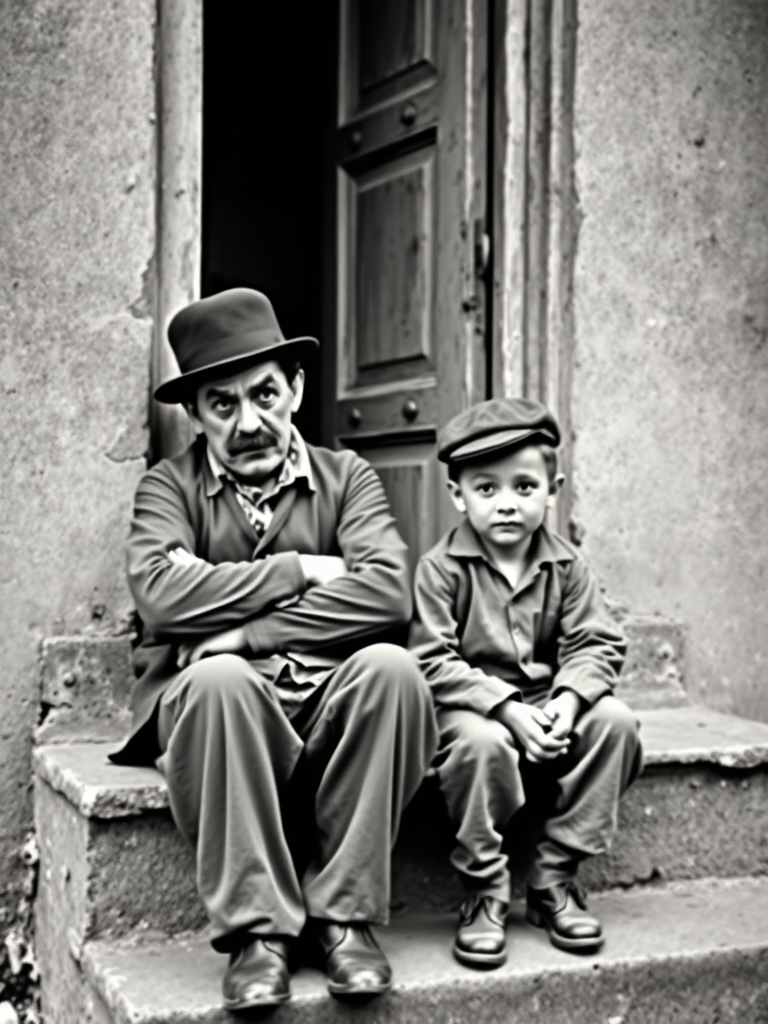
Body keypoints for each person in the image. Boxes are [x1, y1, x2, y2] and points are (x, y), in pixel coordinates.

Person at [110, 288, 437, 1010]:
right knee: (218, 680)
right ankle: (259, 936)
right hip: (224, 710)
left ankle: (342, 916)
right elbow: (162, 598)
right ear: (195, 414)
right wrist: (299, 571)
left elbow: (387, 593)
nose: (250, 421)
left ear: (296, 387)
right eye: (222, 404)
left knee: (392, 668)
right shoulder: (168, 489)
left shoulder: (347, 477)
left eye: (264, 393)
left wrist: (239, 627)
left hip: (326, 695)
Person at [408, 397, 642, 968]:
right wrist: (506, 710)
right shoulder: (441, 569)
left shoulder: (568, 567)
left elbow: (598, 642)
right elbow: (431, 659)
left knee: (614, 723)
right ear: (457, 495)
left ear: (552, 487)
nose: (507, 504)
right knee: (481, 744)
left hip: (546, 704)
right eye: (486, 490)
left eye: (524, 487)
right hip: (470, 710)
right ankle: (485, 889)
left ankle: (552, 878)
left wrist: (567, 701)